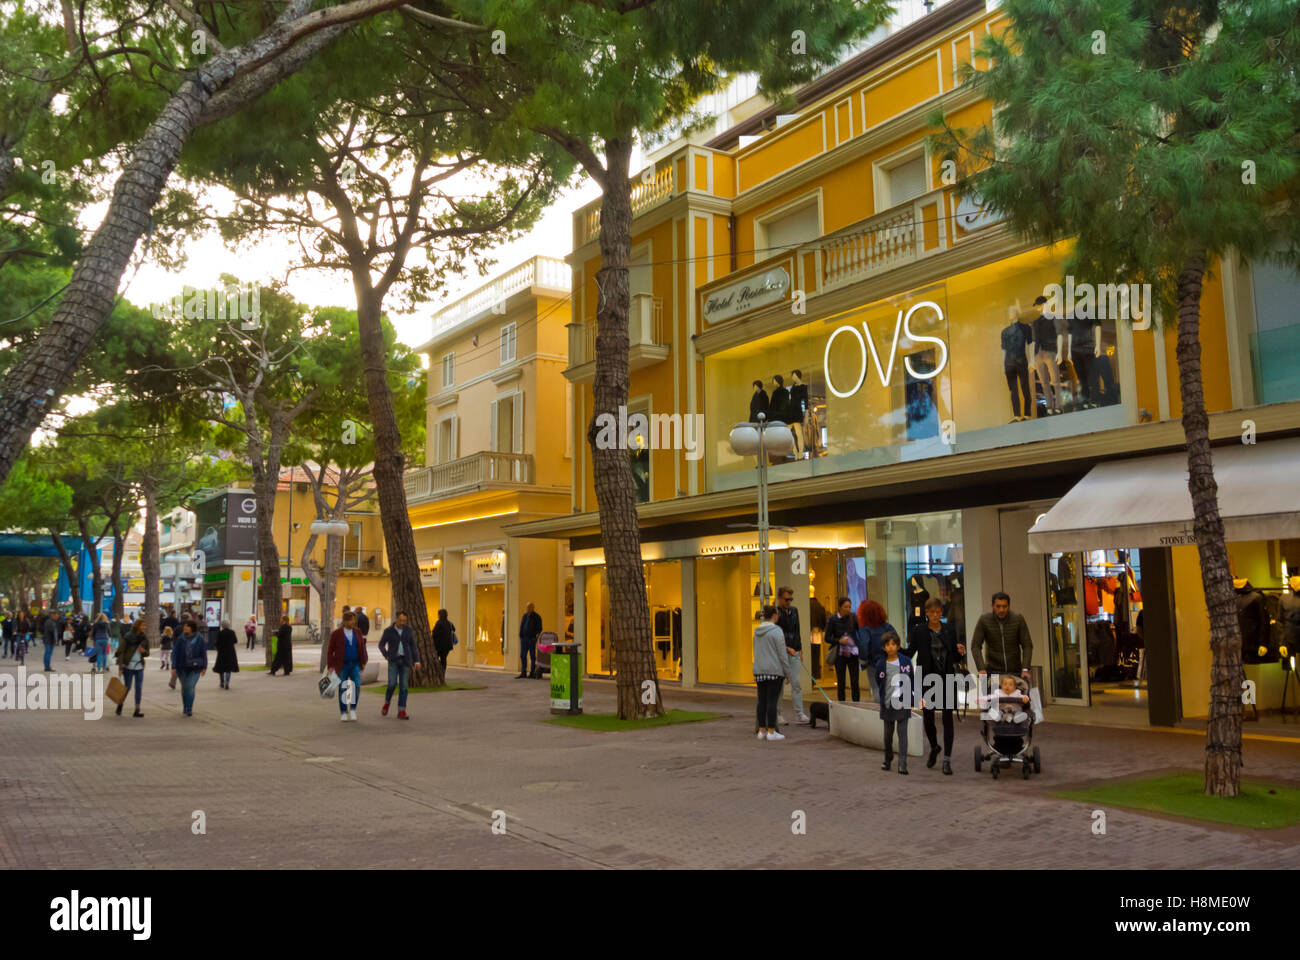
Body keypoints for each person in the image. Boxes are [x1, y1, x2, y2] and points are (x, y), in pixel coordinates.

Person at [905, 597, 965, 775]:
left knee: (948, 719)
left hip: (946, 678)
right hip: (927, 680)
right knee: (928, 718)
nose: (935, 615)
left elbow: (954, 656)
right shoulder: (919, 631)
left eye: (938, 612)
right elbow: (910, 652)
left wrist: (960, 653)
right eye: (931, 612)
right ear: (926, 613)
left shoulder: (948, 630)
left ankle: (947, 759)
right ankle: (934, 746)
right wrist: (893, 651)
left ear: (941, 613)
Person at [872, 631, 915, 774]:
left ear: (898, 646)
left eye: (893, 644)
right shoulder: (880, 664)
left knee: (902, 734)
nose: (891, 647)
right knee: (887, 735)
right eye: (887, 645)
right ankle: (887, 758)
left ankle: (903, 763)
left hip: (904, 702)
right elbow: (879, 681)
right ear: (884, 648)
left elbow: (911, 679)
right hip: (888, 703)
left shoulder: (906, 661)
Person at [970, 592, 1033, 680]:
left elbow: (1027, 645)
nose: (1001, 610)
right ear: (992, 606)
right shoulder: (984, 620)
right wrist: (981, 668)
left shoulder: (1018, 619)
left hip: (1015, 671)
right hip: (993, 671)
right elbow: (975, 645)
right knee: (992, 693)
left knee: (1015, 693)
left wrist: (1025, 668)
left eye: (1004, 606)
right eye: (998, 606)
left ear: (1009, 606)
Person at [752, 604, 786, 741]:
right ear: (774, 615)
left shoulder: (757, 631)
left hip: (759, 671)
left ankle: (762, 730)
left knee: (762, 701)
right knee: (772, 702)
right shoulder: (777, 631)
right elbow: (782, 654)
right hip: (774, 671)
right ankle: (772, 731)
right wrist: (787, 672)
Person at [775, 586, 809, 724]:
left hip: (794, 650)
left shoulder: (794, 611)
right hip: (781, 652)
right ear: (780, 598)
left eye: (791, 599)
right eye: (786, 599)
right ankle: (777, 713)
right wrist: (785, 647)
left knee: (796, 683)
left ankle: (799, 713)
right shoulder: (776, 612)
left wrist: (800, 648)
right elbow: (776, 635)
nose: (789, 602)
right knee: (779, 684)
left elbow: (797, 630)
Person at [378, 611, 420, 719]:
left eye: (404, 621)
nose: (402, 623)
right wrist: (386, 655)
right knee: (392, 684)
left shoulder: (408, 630)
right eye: (400, 620)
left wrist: (416, 661)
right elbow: (381, 644)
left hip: (406, 661)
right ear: (396, 619)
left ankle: (402, 710)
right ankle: (387, 703)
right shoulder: (389, 631)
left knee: (404, 687)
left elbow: (412, 646)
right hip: (393, 661)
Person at [327, 610, 367, 722]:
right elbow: (330, 650)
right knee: (343, 688)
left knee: (356, 687)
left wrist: (363, 662)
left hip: (355, 664)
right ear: (344, 621)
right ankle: (343, 712)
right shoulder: (336, 633)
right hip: (342, 665)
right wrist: (330, 665)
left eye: (353, 620)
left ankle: (353, 709)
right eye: (349, 620)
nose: (352, 622)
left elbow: (362, 648)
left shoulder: (358, 632)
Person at [826, 596, 861, 702]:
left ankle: (856, 704)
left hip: (852, 654)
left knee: (854, 681)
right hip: (839, 654)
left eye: (849, 607)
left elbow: (859, 633)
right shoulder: (833, 619)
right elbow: (827, 638)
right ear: (840, 607)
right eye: (845, 607)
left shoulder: (853, 617)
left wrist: (858, 645)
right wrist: (839, 641)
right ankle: (842, 704)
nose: (848, 609)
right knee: (841, 682)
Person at [171, 620, 207, 717]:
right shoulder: (181, 639)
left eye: (187, 626)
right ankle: (185, 706)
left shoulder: (199, 638)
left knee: (189, 687)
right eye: (184, 626)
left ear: (192, 627)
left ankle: (189, 708)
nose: (185, 628)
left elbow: (203, 653)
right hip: (182, 667)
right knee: (184, 688)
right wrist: (173, 667)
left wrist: (204, 667)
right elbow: (174, 653)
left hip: (195, 668)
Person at [115, 620, 148, 717]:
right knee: (127, 687)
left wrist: (143, 651)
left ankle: (137, 709)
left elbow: (147, 653)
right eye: (143, 625)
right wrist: (120, 667)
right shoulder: (128, 637)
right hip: (128, 666)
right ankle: (120, 704)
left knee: (138, 688)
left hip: (139, 666)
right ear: (137, 626)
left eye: (145, 626)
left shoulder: (144, 638)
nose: (144, 628)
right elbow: (120, 652)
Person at [857, 600, 900, 673]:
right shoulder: (887, 626)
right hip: (890, 662)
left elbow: (864, 646)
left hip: (873, 664)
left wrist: (863, 661)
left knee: (875, 684)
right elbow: (896, 641)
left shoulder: (865, 629)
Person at [516, 602, 543, 678]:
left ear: (532, 608)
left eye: (528, 607)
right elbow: (522, 625)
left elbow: (540, 629)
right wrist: (521, 635)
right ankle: (523, 673)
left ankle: (532, 673)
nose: (527, 609)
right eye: (526, 607)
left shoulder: (537, 617)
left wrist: (535, 637)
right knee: (522, 655)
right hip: (524, 639)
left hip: (531, 639)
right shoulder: (524, 616)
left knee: (532, 656)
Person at [213, 620, 240, 690]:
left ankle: (222, 681)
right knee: (228, 668)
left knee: (221, 668)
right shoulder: (232, 632)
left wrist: (217, 648)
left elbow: (217, 642)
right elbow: (235, 641)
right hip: (230, 652)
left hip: (222, 652)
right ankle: (227, 682)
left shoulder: (220, 633)